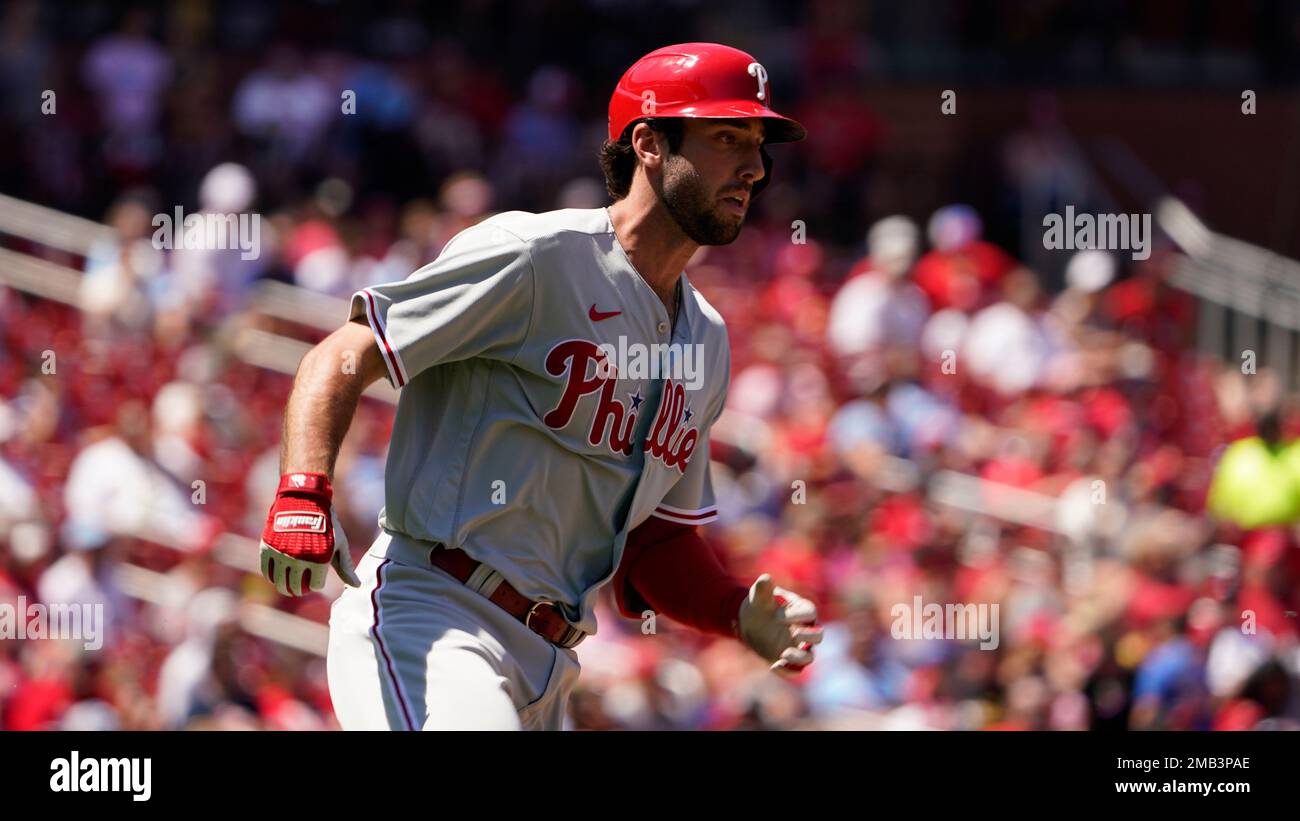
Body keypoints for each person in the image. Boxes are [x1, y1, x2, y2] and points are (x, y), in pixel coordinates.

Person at [257, 43, 823, 730]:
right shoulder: (537, 255)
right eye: (729, 137)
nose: (755, 168)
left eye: (759, 145)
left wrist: (734, 610)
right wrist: (303, 489)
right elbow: (347, 353)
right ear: (648, 142)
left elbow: (652, 546)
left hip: (553, 666)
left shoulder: (706, 338)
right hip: (434, 614)